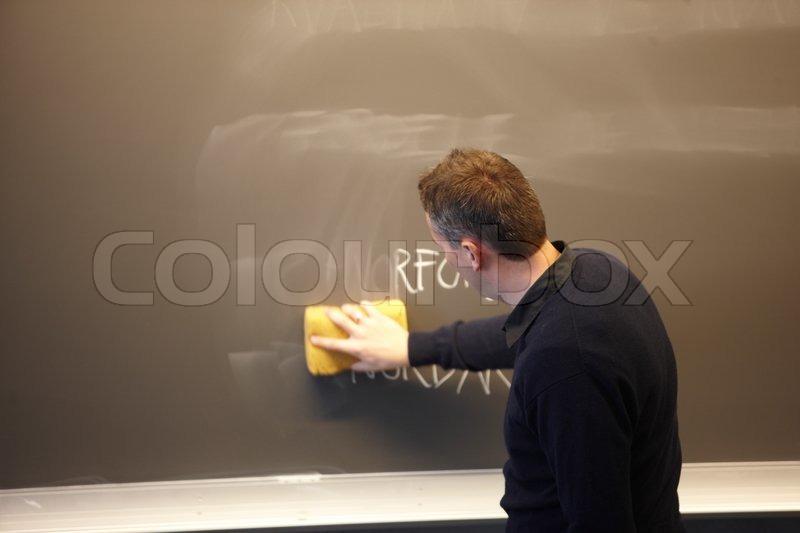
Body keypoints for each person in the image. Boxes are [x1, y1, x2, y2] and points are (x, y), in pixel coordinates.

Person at [311, 148, 684, 532]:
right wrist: (411, 347)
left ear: (471, 253)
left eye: (442, 250)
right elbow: (518, 333)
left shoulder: (565, 362)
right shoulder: (596, 272)